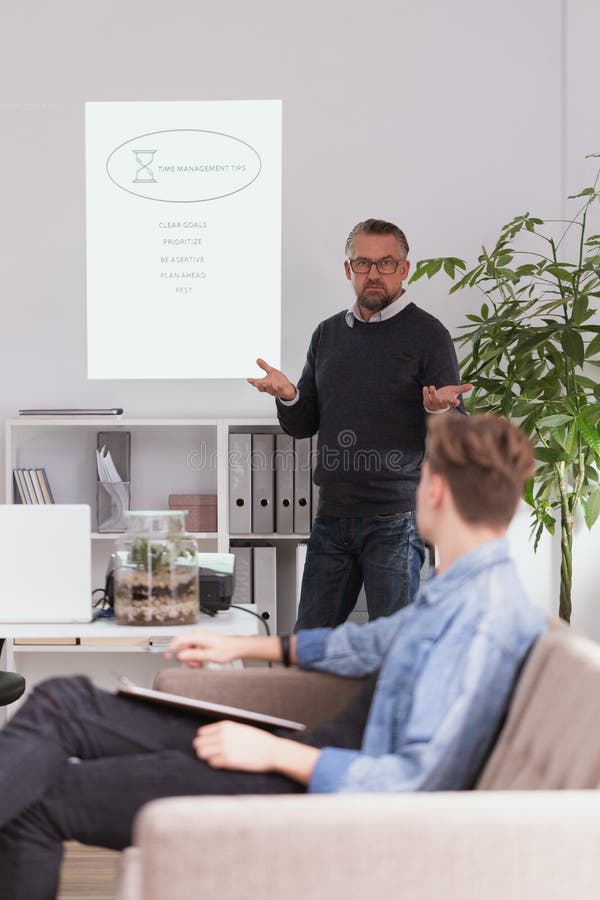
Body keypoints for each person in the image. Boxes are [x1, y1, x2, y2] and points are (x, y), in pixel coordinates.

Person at [0, 414, 546, 900]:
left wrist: (273, 753)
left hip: (309, 790)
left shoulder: (484, 621)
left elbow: (412, 782)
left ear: (436, 493)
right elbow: (363, 644)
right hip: (306, 753)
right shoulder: (460, 590)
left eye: (423, 476)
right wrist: (241, 644)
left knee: (40, 801)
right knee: (63, 699)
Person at [248, 218, 472, 629]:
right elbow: (303, 425)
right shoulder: (328, 334)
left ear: (404, 270)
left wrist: (440, 410)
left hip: (397, 522)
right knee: (309, 648)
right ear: (348, 270)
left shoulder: (429, 335)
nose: (373, 274)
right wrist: (289, 396)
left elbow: (454, 438)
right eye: (363, 263)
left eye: (385, 263)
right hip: (332, 518)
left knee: (394, 651)